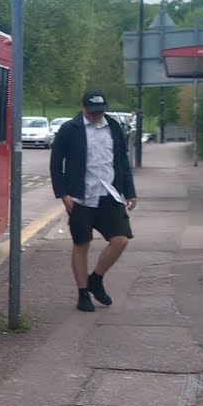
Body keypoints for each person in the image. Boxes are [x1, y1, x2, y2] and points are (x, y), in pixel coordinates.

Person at [49, 89, 137, 312]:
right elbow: (55, 164)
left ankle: (96, 279)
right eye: (92, 112)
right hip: (81, 197)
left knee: (121, 240)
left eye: (100, 112)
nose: (97, 116)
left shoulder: (113, 127)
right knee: (82, 243)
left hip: (110, 193)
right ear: (83, 107)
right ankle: (82, 294)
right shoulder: (70, 129)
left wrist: (130, 191)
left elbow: (122, 161)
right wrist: (64, 195)